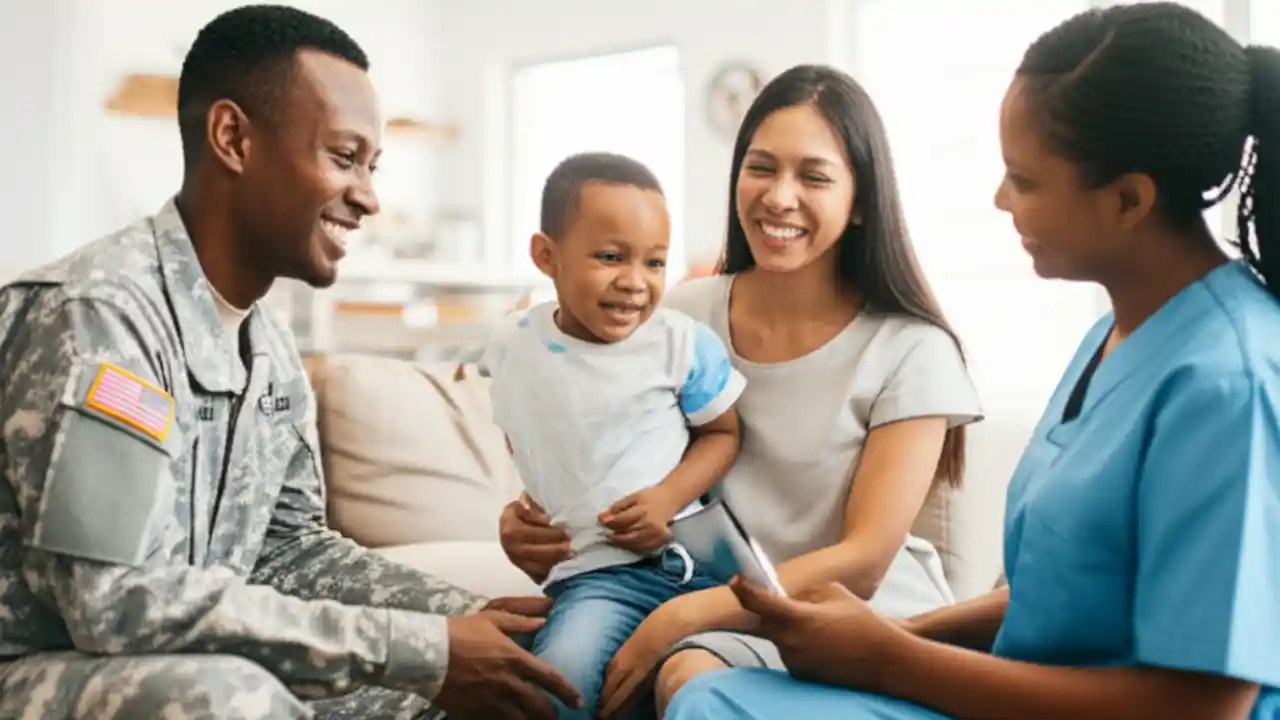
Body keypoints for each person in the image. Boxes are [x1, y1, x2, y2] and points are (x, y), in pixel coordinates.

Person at [664, 3, 1280, 718]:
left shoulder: (1229, 382)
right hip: (1009, 685)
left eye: (1025, 181)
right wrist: (888, 638)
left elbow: (1202, 707)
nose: (999, 199)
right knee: (711, 694)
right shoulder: (1115, 338)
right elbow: (1060, 594)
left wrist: (890, 658)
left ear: (1127, 200)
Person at [0, 5, 579, 719]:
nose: (368, 197)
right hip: (42, 672)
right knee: (234, 698)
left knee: (494, 682)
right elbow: (113, 601)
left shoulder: (269, 347)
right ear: (233, 138)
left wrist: (468, 620)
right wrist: (415, 647)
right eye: (344, 157)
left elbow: (289, 554)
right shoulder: (100, 313)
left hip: (187, 662)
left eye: (372, 166)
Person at [498, 64, 984, 719]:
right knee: (537, 674)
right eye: (761, 168)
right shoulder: (676, 316)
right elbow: (598, 449)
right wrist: (531, 528)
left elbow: (865, 561)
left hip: (858, 623)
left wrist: (686, 616)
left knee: (686, 673)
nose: (779, 197)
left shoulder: (912, 349)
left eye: (813, 177)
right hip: (694, 601)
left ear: (861, 201)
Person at [480, 152, 745, 718]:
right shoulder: (511, 345)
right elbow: (524, 429)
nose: (635, 282)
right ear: (546, 256)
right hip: (596, 579)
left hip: (704, 571)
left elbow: (724, 433)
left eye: (654, 262)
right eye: (610, 257)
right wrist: (534, 502)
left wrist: (667, 498)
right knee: (560, 686)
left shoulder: (682, 342)